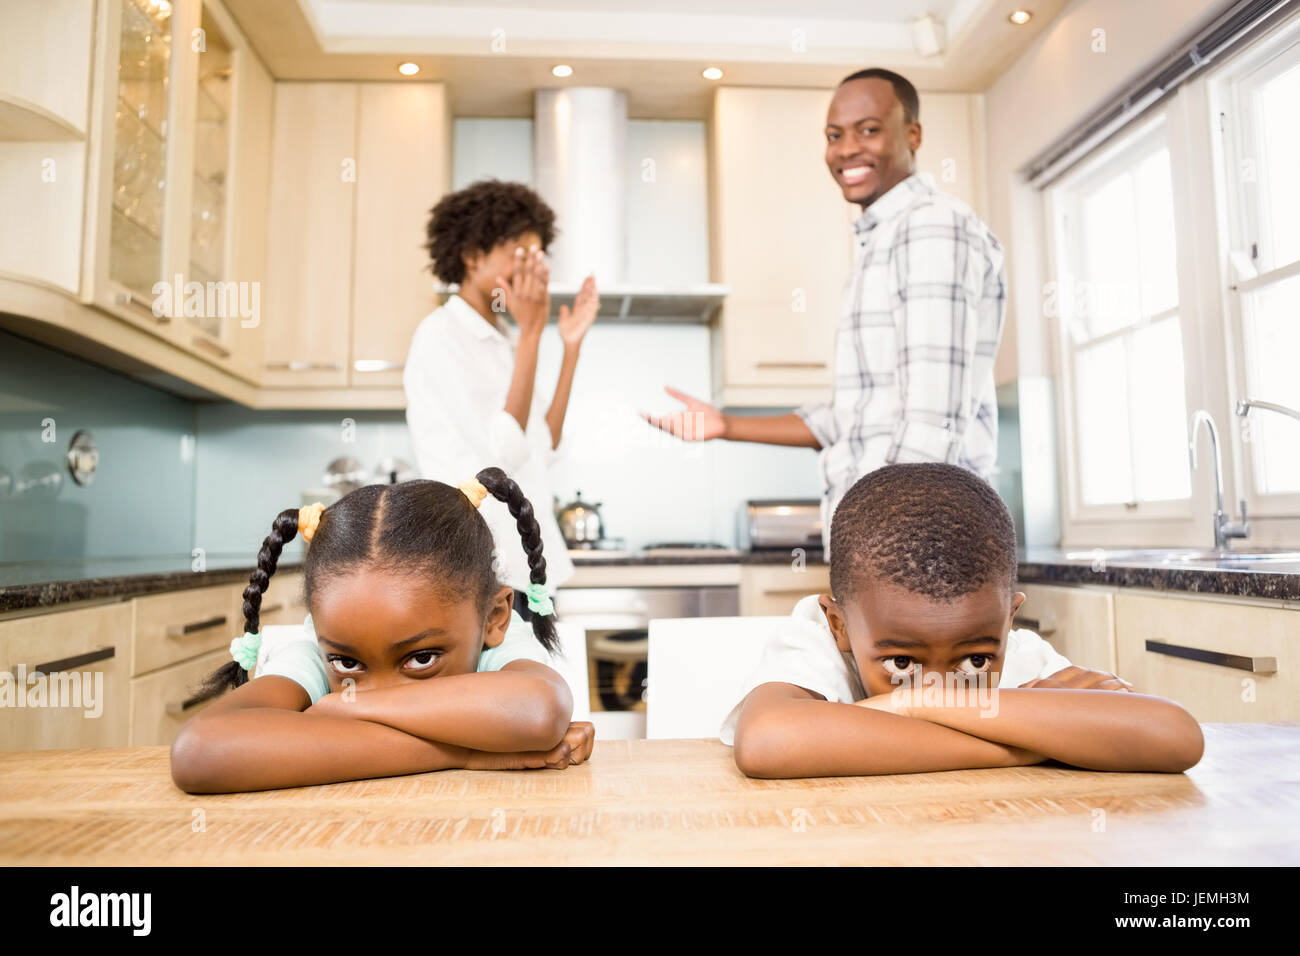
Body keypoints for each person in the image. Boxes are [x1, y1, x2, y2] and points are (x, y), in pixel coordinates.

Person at [643, 69, 1007, 556]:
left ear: (913, 134)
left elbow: (930, 421)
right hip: (891, 542)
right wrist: (726, 425)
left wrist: (885, 550)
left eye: (869, 129)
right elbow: (848, 419)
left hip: (915, 547)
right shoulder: (883, 241)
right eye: (835, 136)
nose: (846, 149)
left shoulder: (932, 228)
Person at [723, 462, 1204, 778]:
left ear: (1009, 621)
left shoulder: (1013, 650)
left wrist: (911, 705)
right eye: (902, 664)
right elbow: (769, 741)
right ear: (839, 626)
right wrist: (1024, 742)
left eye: (975, 661)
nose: (941, 684)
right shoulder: (815, 641)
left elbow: (1174, 736)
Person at [170, 468, 595, 794]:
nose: (374, 691)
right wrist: (466, 751)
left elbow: (539, 710)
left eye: (422, 658)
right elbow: (198, 752)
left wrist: (346, 708)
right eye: (348, 663)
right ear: (316, 630)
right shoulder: (315, 656)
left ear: (495, 618)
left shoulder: (496, 643)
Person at [405, 179, 599, 604]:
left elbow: (543, 446)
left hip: (531, 561)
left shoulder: (507, 336)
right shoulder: (440, 336)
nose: (532, 271)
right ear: (472, 256)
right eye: (519, 258)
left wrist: (569, 350)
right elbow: (499, 465)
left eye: (537, 258)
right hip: (484, 573)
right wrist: (531, 334)